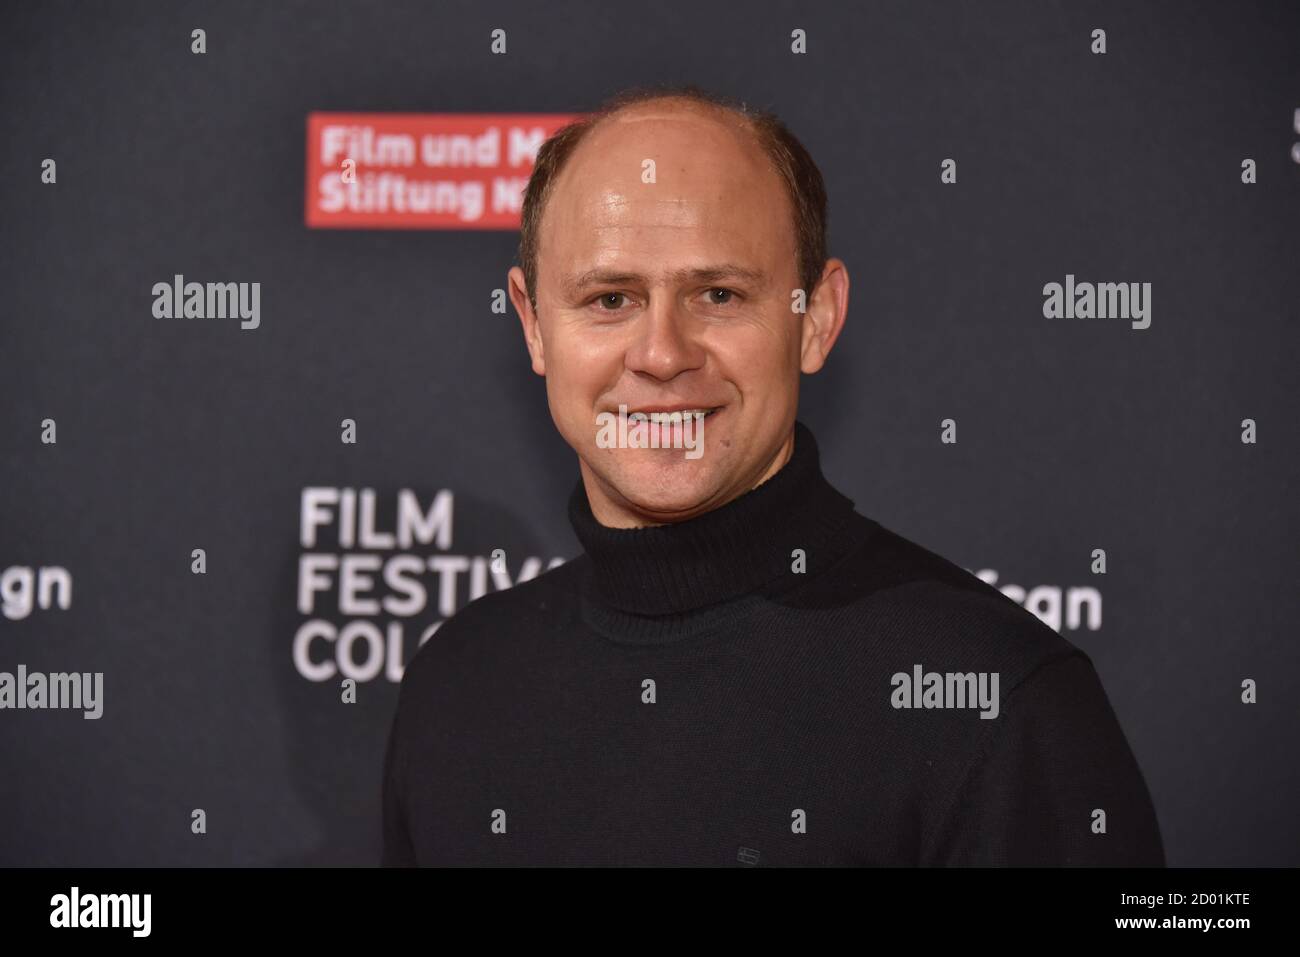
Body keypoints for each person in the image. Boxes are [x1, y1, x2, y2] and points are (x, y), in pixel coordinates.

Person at [381, 85, 1164, 866]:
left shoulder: (998, 701)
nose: (661, 353)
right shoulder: (457, 687)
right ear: (533, 324)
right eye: (610, 297)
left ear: (815, 318)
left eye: (718, 295)